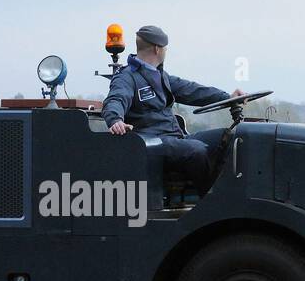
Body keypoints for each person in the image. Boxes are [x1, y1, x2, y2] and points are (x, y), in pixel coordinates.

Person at [101, 25, 243, 189]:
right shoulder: (127, 77)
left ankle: (226, 191)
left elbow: (193, 90)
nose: (165, 51)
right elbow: (116, 99)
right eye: (165, 48)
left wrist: (227, 98)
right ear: (157, 49)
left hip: (176, 137)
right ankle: (209, 199)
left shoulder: (160, 75)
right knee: (196, 150)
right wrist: (115, 119)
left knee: (230, 138)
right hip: (152, 141)